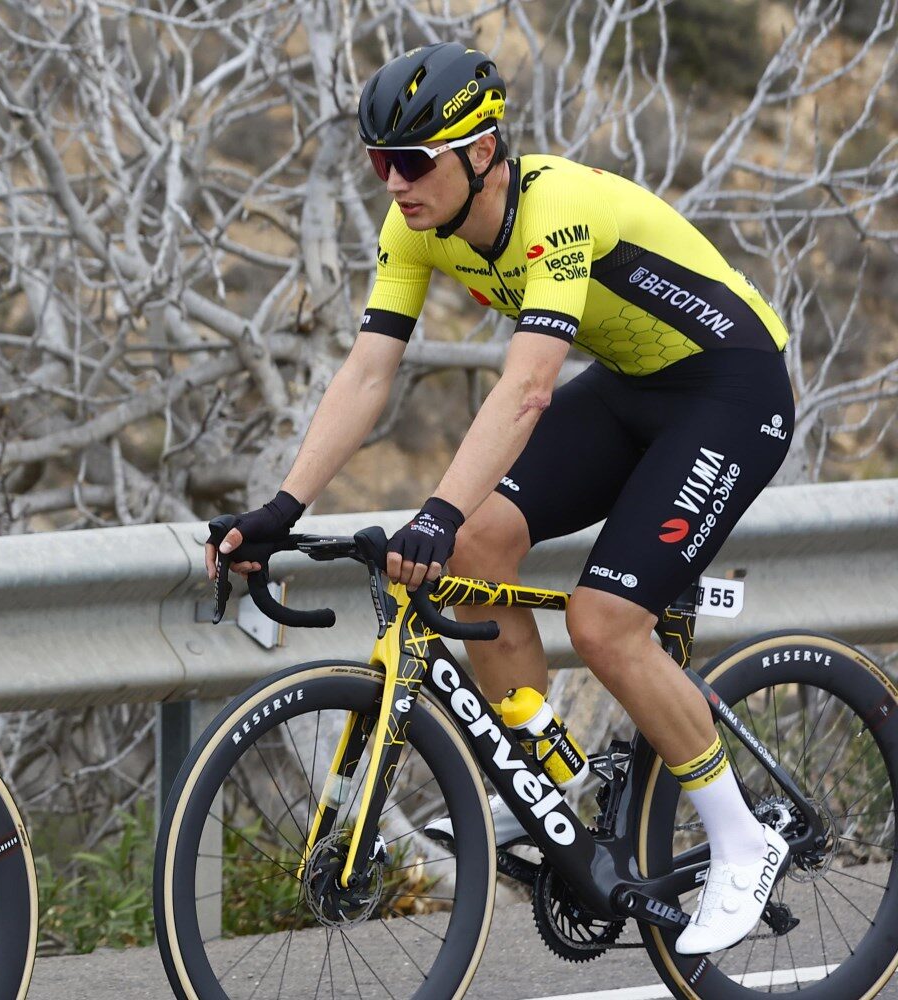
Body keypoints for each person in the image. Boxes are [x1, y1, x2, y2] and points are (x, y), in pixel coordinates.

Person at [206, 42, 793, 955]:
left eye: (413, 162)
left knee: (603, 624)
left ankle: (740, 837)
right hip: (634, 382)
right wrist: (280, 507)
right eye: (378, 162)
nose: (394, 183)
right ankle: (545, 795)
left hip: (731, 388)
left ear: (482, 151)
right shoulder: (417, 225)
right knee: (479, 550)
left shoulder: (550, 211)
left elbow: (525, 390)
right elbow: (368, 371)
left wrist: (434, 511)